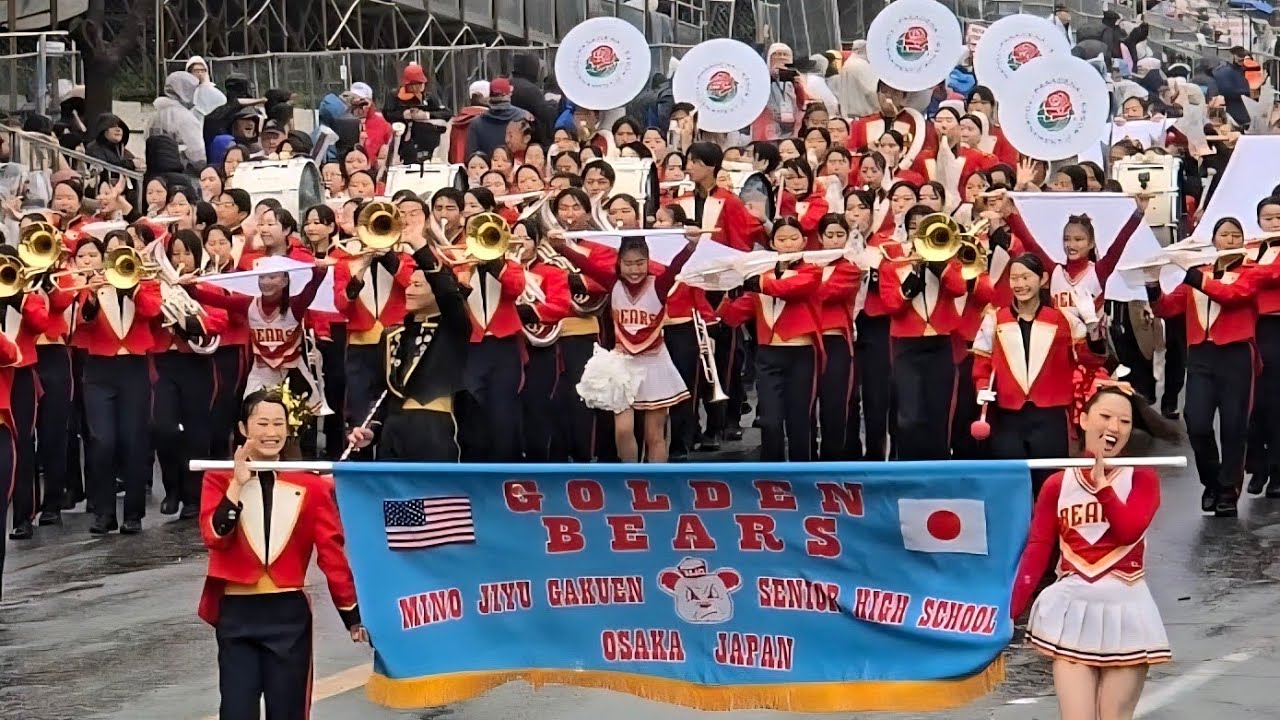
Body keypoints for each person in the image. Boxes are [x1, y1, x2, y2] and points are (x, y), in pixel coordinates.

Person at [199, 388, 364, 718]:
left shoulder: (312, 486)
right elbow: (215, 536)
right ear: (244, 429)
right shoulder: (218, 477)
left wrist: (352, 615)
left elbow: (332, 554)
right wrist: (237, 484)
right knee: (236, 712)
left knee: (288, 713)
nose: (271, 432)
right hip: (237, 613)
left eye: (278, 424)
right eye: (262, 423)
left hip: (286, 613)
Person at [1011, 381, 1170, 720]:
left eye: (1125, 422)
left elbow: (1128, 530)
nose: (1114, 427)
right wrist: (1009, 610)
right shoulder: (1058, 483)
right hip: (1072, 611)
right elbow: (1039, 548)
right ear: (1083, 420)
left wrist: (1103, 487)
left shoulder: (1142, 478)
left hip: (1127, 613)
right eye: (1106, 416)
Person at [1148, 217, 1259, 517]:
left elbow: (1232, 296)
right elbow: (1167, 308)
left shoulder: (1250, 273)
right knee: (1196, 423)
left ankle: (1228, 488)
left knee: (1235, 427)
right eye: (1225, 235)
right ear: (1214, 240)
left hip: (1235, 355)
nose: (1231, 240)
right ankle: (1211, 481)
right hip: (1200, 356)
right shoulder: (1199, 275)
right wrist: (1151, 283)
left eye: (1237, 235)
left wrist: (1192, 275)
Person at [346, 226, 475, 460]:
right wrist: (371, 430)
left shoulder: (453, 329)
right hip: (392, 431)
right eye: (409, 285)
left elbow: (448, 294)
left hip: (434, 429)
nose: (409, 291)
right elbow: (380, 394)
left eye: (418, 285)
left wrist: (420, 248)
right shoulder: (391, 335)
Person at [465, 78, 529, 157]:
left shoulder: (476, 123)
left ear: (489, 96)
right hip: (520, 168)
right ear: (509, 94)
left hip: (487, 168)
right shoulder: (524, 117)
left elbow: (471, 156)